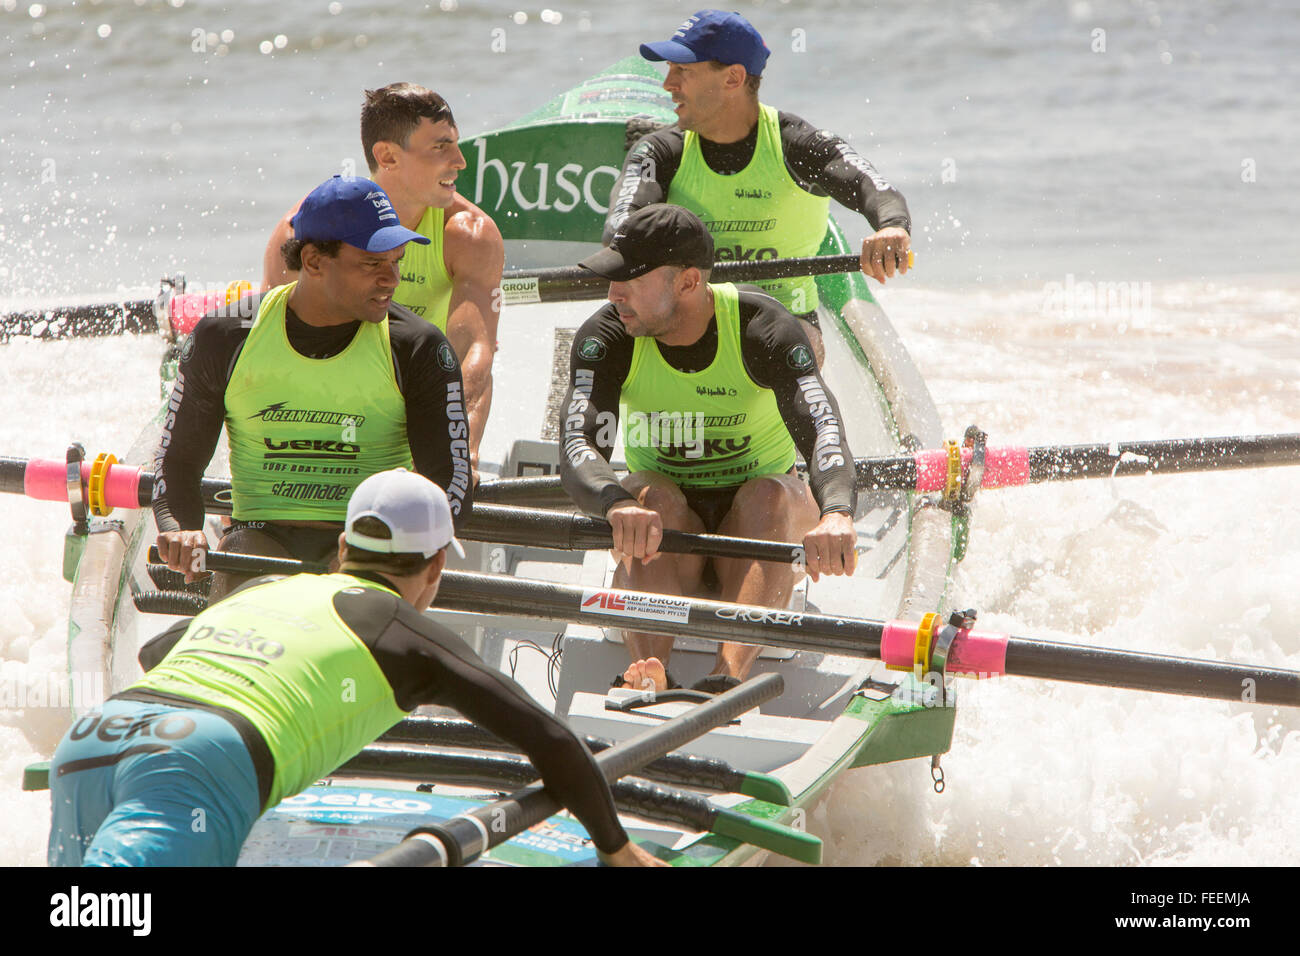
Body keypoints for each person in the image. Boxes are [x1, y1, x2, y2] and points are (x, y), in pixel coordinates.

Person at [50, 468, 662, 867]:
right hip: (196, 763)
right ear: (434, 571)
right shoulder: (407, 633)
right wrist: (617, 847)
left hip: (96, 737)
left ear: (343, 550)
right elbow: (549, 737)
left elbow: (159, 653)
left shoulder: (264, 589)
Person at [560, 204, 859, 693]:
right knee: (648, 500)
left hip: (759, 518)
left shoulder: (762, 328)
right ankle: (650, 671)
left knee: (767, 496)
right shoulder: (609, 336)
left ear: (689, 282)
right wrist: (613, 502)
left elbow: (823, 428)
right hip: (667, 524)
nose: (613, 294)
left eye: (630, 280)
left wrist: (838, 513)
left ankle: (726, 676)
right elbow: (578, 441)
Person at [154, 175, 474, 602]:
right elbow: (177, 460)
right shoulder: (226, 337)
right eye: (372, 263)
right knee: (246, 561)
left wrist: (376, 552)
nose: (392, 279)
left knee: (360, 595)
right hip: (260, 541)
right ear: (314, 261)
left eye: (397, 261)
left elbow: (452, 483)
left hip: (371, 547)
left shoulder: (418, 348)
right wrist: (182, 531)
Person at [606, 10, 912, 360]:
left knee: (784, 344)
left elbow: (874, 188)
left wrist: (892, 228)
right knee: (601, 334)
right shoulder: (659, 151)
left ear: (733, 78)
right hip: (685, 319)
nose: (667, 84)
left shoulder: (798, 145)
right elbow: (620, 230)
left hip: (783, 321)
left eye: (683, 71)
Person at [262, 83, 504, 471]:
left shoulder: (469, 234)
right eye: (441, 147)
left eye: (457, 145)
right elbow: (269, 359)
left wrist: (458, 456)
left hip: (423, 391)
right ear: (387, 156)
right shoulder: (304, 234)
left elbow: (472, 353)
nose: (460, 161)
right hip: (329, 398)